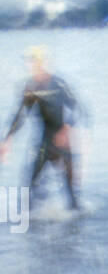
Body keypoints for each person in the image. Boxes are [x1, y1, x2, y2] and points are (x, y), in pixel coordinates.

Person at [1, 47, 84, 211]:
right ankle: (30, 227)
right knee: (28, 187)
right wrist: (7, 139)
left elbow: (77, 107)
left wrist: (67, 128)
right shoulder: (30, 87)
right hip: (43, 144)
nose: (32, 65)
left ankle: (75, 229)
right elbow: (20, 115)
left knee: (71, 195)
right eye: (30, 62)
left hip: (63, 145)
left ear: (44, 62)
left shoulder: (58, 83)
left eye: (35, 61)